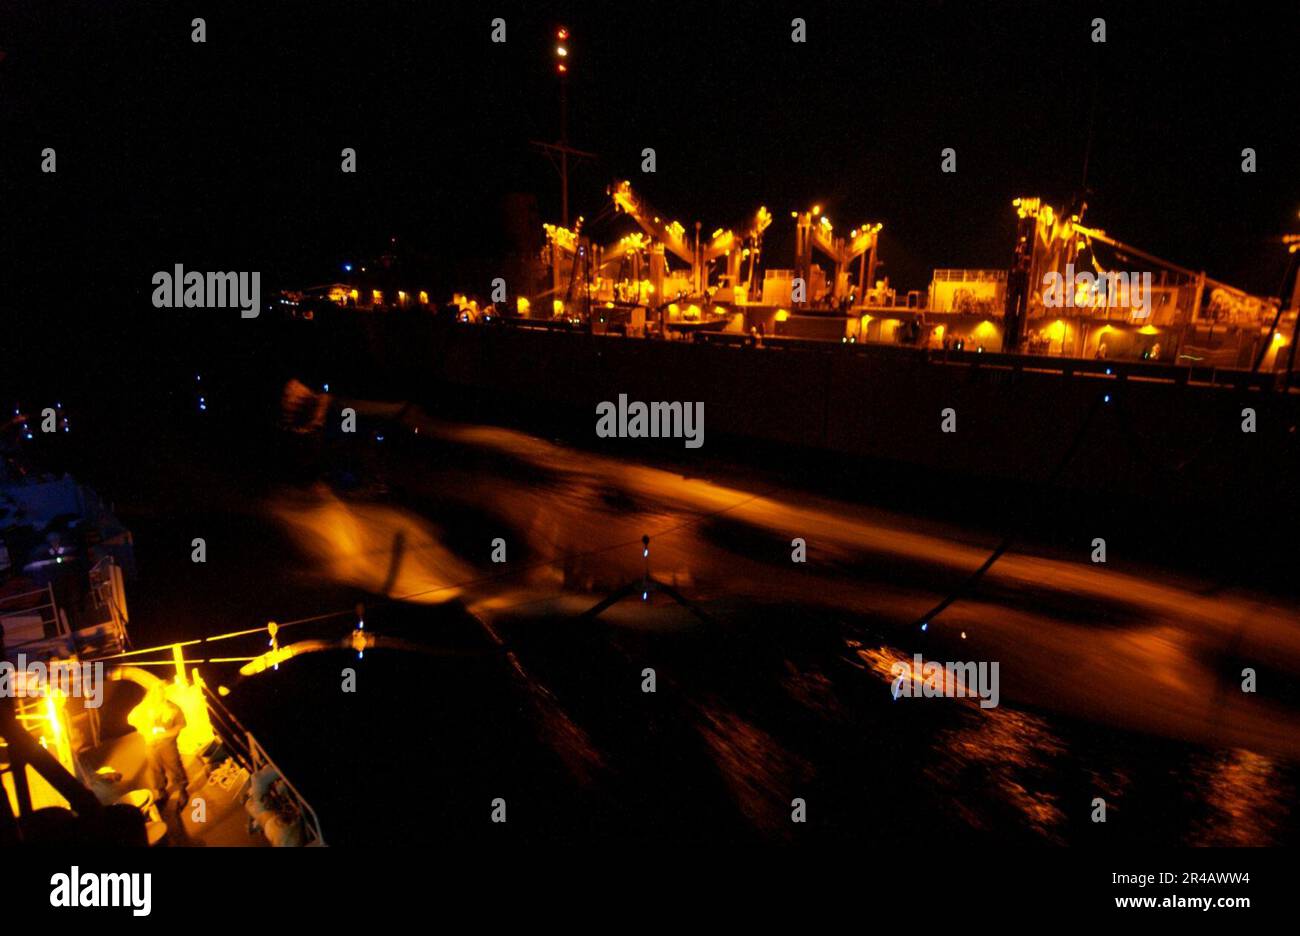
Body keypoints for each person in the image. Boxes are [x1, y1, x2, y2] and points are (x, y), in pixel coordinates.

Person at [130, 684, 188, 807]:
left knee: (174, 766)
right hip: (151, 744)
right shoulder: (145, 706)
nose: (157, 696)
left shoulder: (173, 709)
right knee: (154, 769)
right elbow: (130, 718)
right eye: (154, 693)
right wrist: (141, 726)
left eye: (160, 693)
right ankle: (161, 792)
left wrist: (165, 733)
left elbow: (179, 726)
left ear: (164, 694)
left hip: (168, 744)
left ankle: (182, 789)